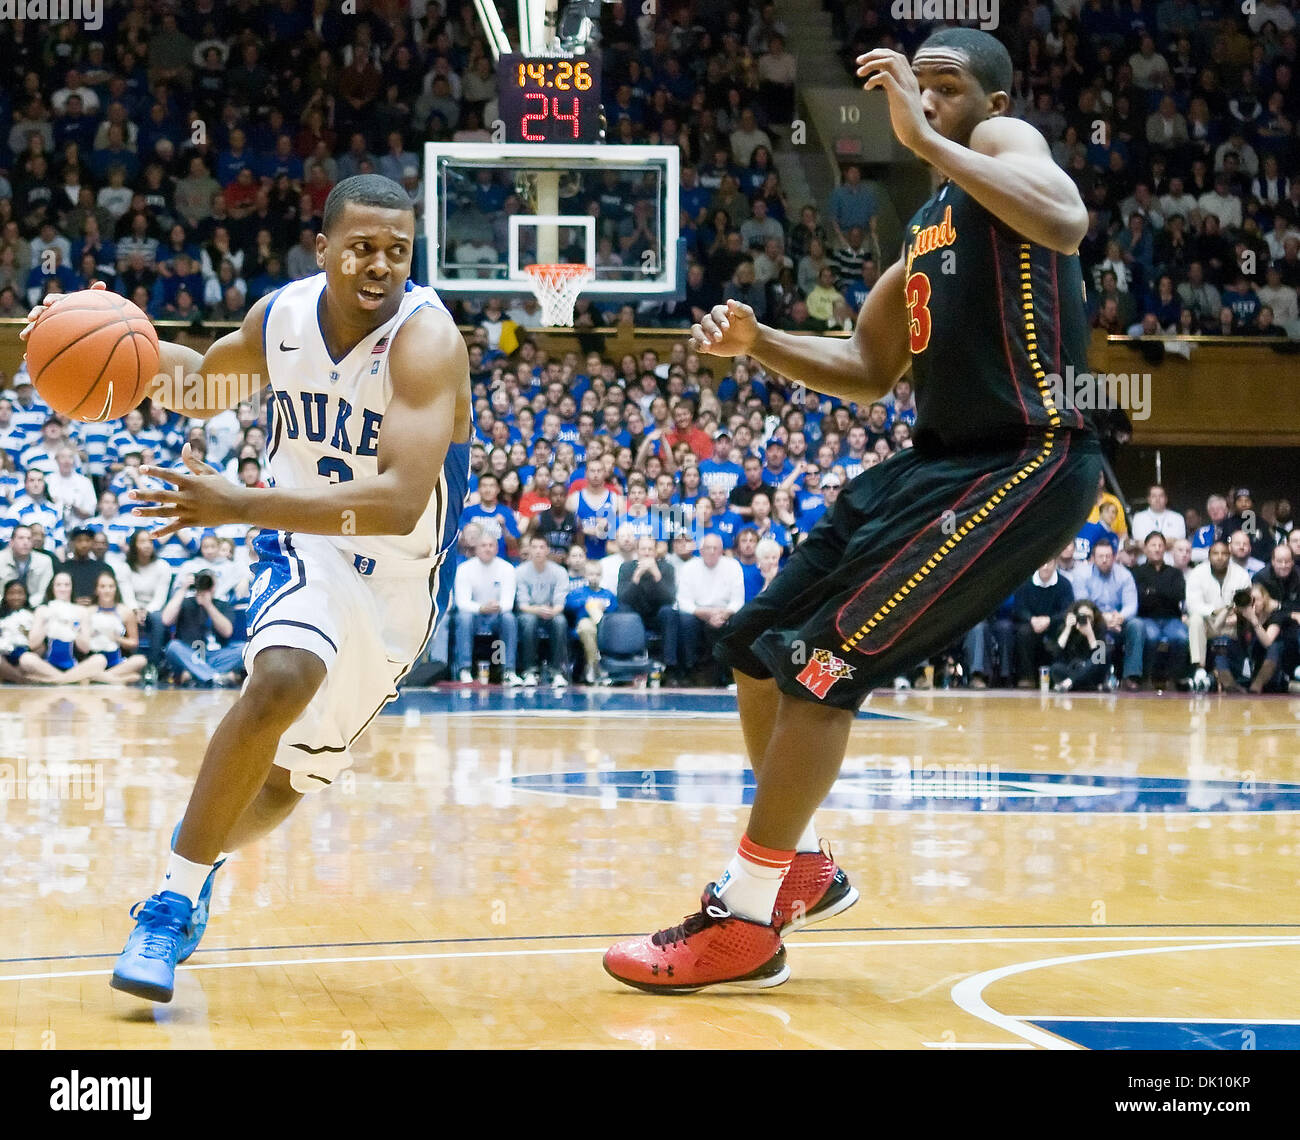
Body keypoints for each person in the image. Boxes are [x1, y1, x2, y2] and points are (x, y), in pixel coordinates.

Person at [604, 30, 1105, 991]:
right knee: (757, 644)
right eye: (917, 90)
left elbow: (1069, 218)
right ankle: (806, 867)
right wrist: (760, 342)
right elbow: (869, 370)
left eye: (946, 88)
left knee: (824, 669)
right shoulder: (928, 226)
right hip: (933, 467)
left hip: (1028, 460)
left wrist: (926, 138)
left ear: (988, 103)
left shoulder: (1011, 150)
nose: (925, 102)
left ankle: (742, 922)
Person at [21, 174, 472, 1004]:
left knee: (285, 782)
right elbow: (202, 387)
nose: (380, 266)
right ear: (324, 247)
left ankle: (199, 869)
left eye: (398, 252)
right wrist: (119, 337)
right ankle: (168, 903)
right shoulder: (281, 317)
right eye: (363, 248)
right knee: (283, 677)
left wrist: (237, 502)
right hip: (304, 545)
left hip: (400, 580)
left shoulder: (426, 340)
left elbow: (400, 500)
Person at [452, 528, 521, 685]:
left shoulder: (507, 569)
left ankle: (509, 671)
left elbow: (508, 604)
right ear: (476, 549)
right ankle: (465, 669)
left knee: (509, 618)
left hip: (497, 616)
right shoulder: (464, 569)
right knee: (463, 617)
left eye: (491, 545)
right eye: (483, 545)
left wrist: (495, 607)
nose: (487, 548)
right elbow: (462, 603)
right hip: (474, 616)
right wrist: (481, 608)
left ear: (497, 548)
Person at [1185, 540, 1252, 691]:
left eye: (1224, 554)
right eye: (1215, 553)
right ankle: (1199, 670)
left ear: (1230, 556)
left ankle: (1238, 674)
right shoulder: (1197, 573)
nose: (1220, 557)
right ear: (1209, 556)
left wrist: (1236, 617)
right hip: (1208, 623)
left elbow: (1245, 603)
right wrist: (1214, 611)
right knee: (1195, 619)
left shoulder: (1241, 574)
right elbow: (1192, 604)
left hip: (1232, 625)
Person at [1131, 531, 1189, 684]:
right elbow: (1140, 598)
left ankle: (1177, 679)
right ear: (1145, 549)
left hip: (1171, 618)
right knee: (1151, 637)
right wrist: (1161, 592)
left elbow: (1178, 595)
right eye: (1153, 545)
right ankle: (1146, 678)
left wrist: (1152, 591)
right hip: (1146, 618)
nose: (1157, 549)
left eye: (1160, 545)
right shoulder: (1137, 572)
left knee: (1181, 637)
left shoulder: (1175, 573)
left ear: (1165, 549)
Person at [514, 534, 570, 687]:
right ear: (529, 550)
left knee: (560, 621)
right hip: (529, 612)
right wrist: (538, 610)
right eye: (534, 547)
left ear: (548, 550)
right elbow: (522, 604)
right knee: (528, 621)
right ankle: (529, 671)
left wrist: (552, 611)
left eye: (542, 547)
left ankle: (557, 671)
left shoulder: (559, 572)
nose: (538, 551)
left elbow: (560, 603)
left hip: (551, 612)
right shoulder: (520, 572)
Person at [1011, 557, 1074, 686]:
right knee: (1023, 632)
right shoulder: (1025, 583)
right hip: (1031, 626)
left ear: (1055, 563)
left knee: (1066, 631)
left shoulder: (1064, 584)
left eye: (1049, 563)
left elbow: (1068, 610)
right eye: (1042, 563)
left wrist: (1049, 620)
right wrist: (1032, 619)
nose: (1045, 566)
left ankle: (1058, 677)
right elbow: (1019, 608)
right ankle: (1026, 678)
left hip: (1055, 626)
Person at [86, 570, 147, 684]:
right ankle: (115, 679)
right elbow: (82, 644)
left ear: (116, 589)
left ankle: (100, 678)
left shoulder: (125, 612)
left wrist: (116, 638)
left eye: (111, 586)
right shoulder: (88, 612)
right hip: (94, 659)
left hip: (117, 661)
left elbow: (134, 643)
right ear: (96, 590)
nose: (107, 590)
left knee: (140, 660)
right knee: (134, 677)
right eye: (103, 587)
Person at [1047, 599, 1109, 692]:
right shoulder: (1067, 629)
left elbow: (1100, 659)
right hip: (1073, 669)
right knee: (1055, 668)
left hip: (1092, 671)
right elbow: (1056, 653)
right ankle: (1090, 687)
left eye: (1089, 617)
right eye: (1081, 616)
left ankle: (1070, 683)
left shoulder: (1099, 628)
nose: (1085, 619)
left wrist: (1090, 635)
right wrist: (1067, 629)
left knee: (1099, 656)